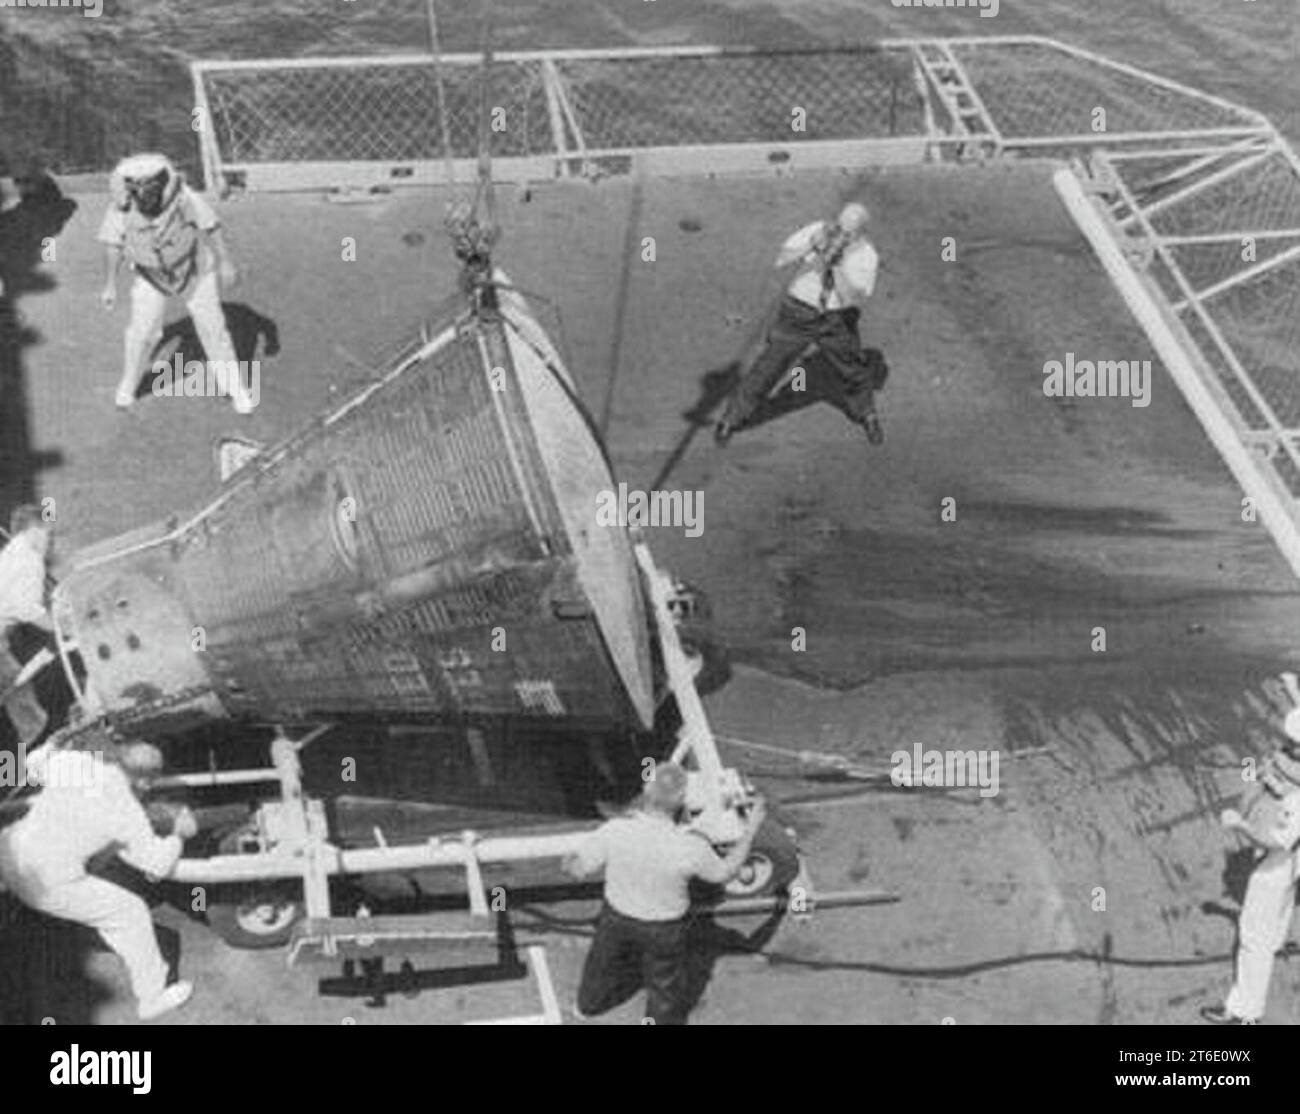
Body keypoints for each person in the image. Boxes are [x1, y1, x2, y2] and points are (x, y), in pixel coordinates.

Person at [0, 741, 199, 1021]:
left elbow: (33, 761)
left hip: (9, 853)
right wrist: (178, 834)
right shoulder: (127, 813)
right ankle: (152, 999)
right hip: (43, 887)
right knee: (130, 911)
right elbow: (158, 864)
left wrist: (53, 745)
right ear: (143, 780)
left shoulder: (77, 763)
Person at [564, 762, 767, 1024]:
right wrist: (751, 829)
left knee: (601, 965)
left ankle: (586, 1007)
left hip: (616, 918)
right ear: (682, 800)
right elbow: (724, 872)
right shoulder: (690, 846)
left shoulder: (616, 830)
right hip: (664, 928)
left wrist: (570, 860)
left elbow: (578, 868)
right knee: (664, 985)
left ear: (647, 789)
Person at [715, 201, 886, 446]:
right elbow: (781, 259)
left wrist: (836, 266)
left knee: (853, 368)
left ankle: (866, 413)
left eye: (847, 233)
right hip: (799, 312)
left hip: (835, 318)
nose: (838, 235)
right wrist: (809, 246)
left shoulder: (867, 255)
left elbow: (851, 297)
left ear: (860, 234)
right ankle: (732, 419)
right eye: (838, 227)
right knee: (769, 365)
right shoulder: (818, 229)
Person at [98, 152, 253, 414]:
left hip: (194, 268)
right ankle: (129, 382)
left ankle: (234, 386)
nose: (145, 197)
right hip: (151, 274)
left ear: (161, 185)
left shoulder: (185, 197)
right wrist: (110, 284)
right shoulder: (120, 207)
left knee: (213, 328)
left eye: (150, 189)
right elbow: (113, 243)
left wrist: (225, 262)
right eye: (138, 190)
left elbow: (211, 226)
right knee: (142, 332)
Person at [1203, 676, 1300, 1024]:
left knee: (1253, 933)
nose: (1288, 749)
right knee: (1282, 907)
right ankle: (1275, 940)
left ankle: (1244, 1011)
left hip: (1282, 858)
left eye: (1294, 747)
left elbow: (1275, 842)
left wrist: (1239, 825)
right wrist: (1292, 690)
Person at [0, 505, 54, 748]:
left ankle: (32, 739)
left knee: (15, 687)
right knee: (15, 685)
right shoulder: (28, 560)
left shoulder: (13, 552)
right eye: (47, 533)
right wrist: (62, 629)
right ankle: (35, 744)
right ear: (35, 530)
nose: (49, 541)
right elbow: (26, 609)